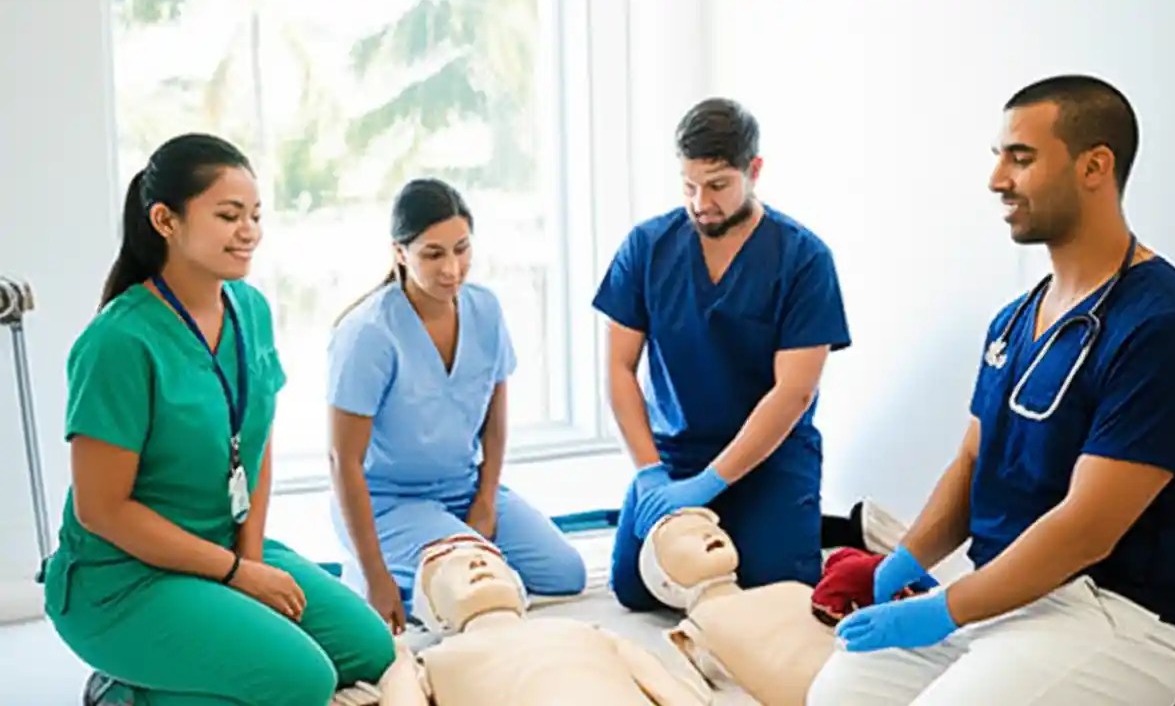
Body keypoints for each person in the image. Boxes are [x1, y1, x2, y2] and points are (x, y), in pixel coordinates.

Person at [807, 75, 1175, 705]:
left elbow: (1087, 531)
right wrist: (902, 567)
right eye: (998, 156)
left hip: (1115, 611)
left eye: (1021, 157)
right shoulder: (1014, 319)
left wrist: (943, 610)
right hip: (1001, 589)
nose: (997, 179)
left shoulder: (1166, 327)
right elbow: (972, 462)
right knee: (838, 694)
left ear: (1095, 166)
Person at [41, 133, 395, 706]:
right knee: (304, 681)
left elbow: (256, 444)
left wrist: (249, 559)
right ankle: (122, 695)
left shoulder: (249, 308)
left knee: (367, 650)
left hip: (222, 547)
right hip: (123, 580)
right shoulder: (118, 342)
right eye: (229, 215)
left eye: (255, 215)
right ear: (165, 220)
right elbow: (100, 509)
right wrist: (235, 575)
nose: (249, 230)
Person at [592, 97, 852, 611]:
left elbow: (795, 391)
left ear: (753, 171)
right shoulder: (646, 247)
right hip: (677, 454)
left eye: (716, 186)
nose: (700, 203)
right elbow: (620, 369)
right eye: (688, 185)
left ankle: (829, 534)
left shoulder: (803, 259)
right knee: (634, 588)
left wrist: (715, 482)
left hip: (770, 457)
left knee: (777, 590)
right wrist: (650, 473)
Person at [327, 178, 587, 635]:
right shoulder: (368, 333)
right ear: (400, 253)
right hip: (388, 502)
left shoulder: (485, 309)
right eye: (433, 254)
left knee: (566, 572)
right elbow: (342, 459)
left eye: (462, 249)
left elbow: (496, 412)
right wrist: (374, 575)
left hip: (462, 487)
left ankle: (431, 559)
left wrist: (486, 497)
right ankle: (376, 565)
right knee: (491, 591)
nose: (452, 268)